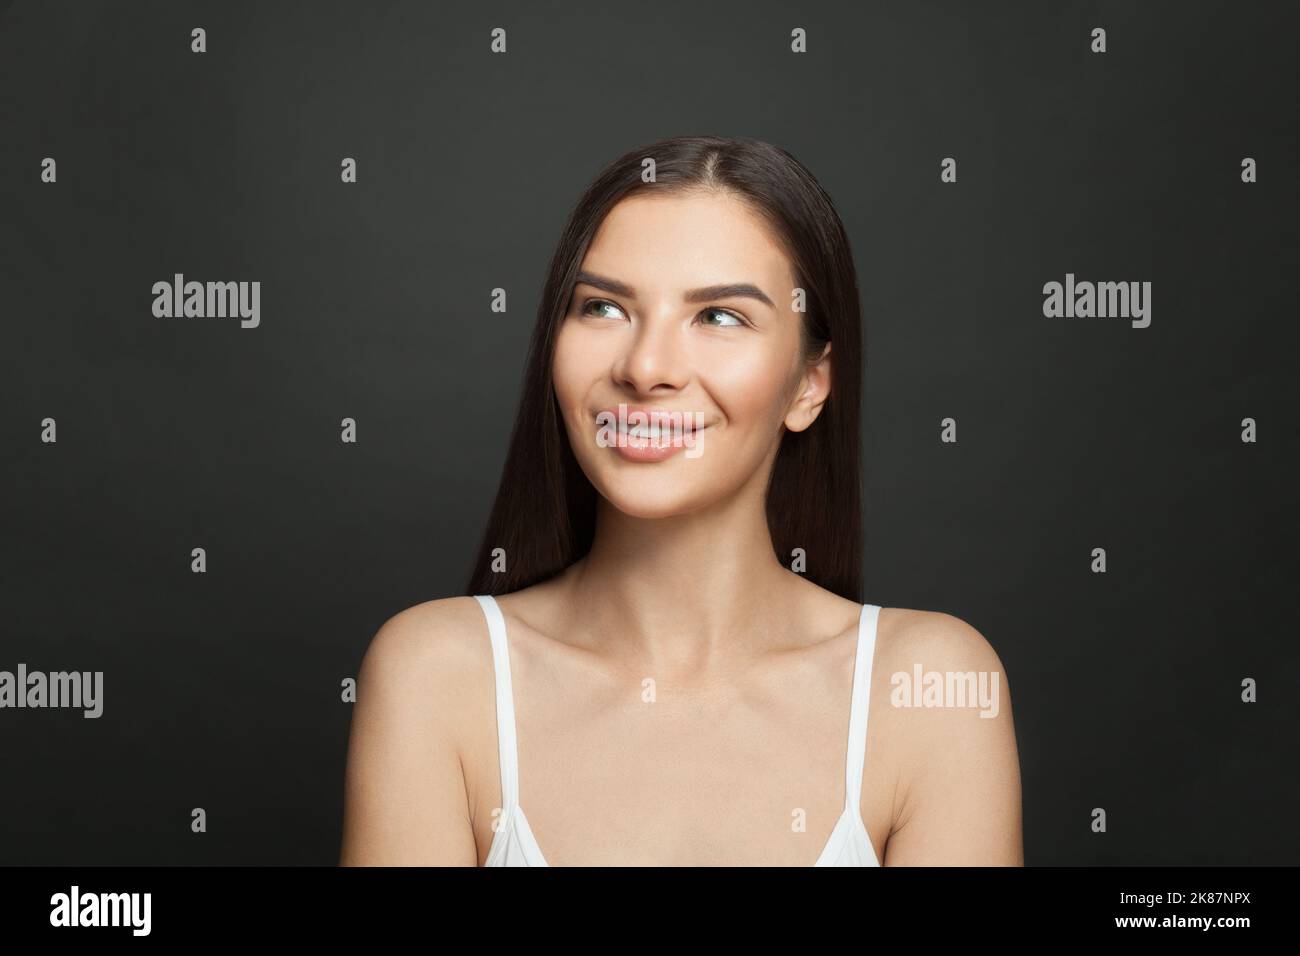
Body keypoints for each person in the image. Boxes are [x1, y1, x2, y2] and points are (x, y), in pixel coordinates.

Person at [339, 136, 1023, 866]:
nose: (646, 367)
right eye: (603, 307)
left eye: (720, 316)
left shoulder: (929, 690)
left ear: (809, 385)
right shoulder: (439, 675)